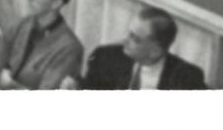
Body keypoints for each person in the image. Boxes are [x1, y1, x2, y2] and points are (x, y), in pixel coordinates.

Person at [80, 7, 208, 90]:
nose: (125, 40)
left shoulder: (186, 79)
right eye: (129, 33)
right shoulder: (106, 58)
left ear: (155, 51)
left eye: (135, 39)